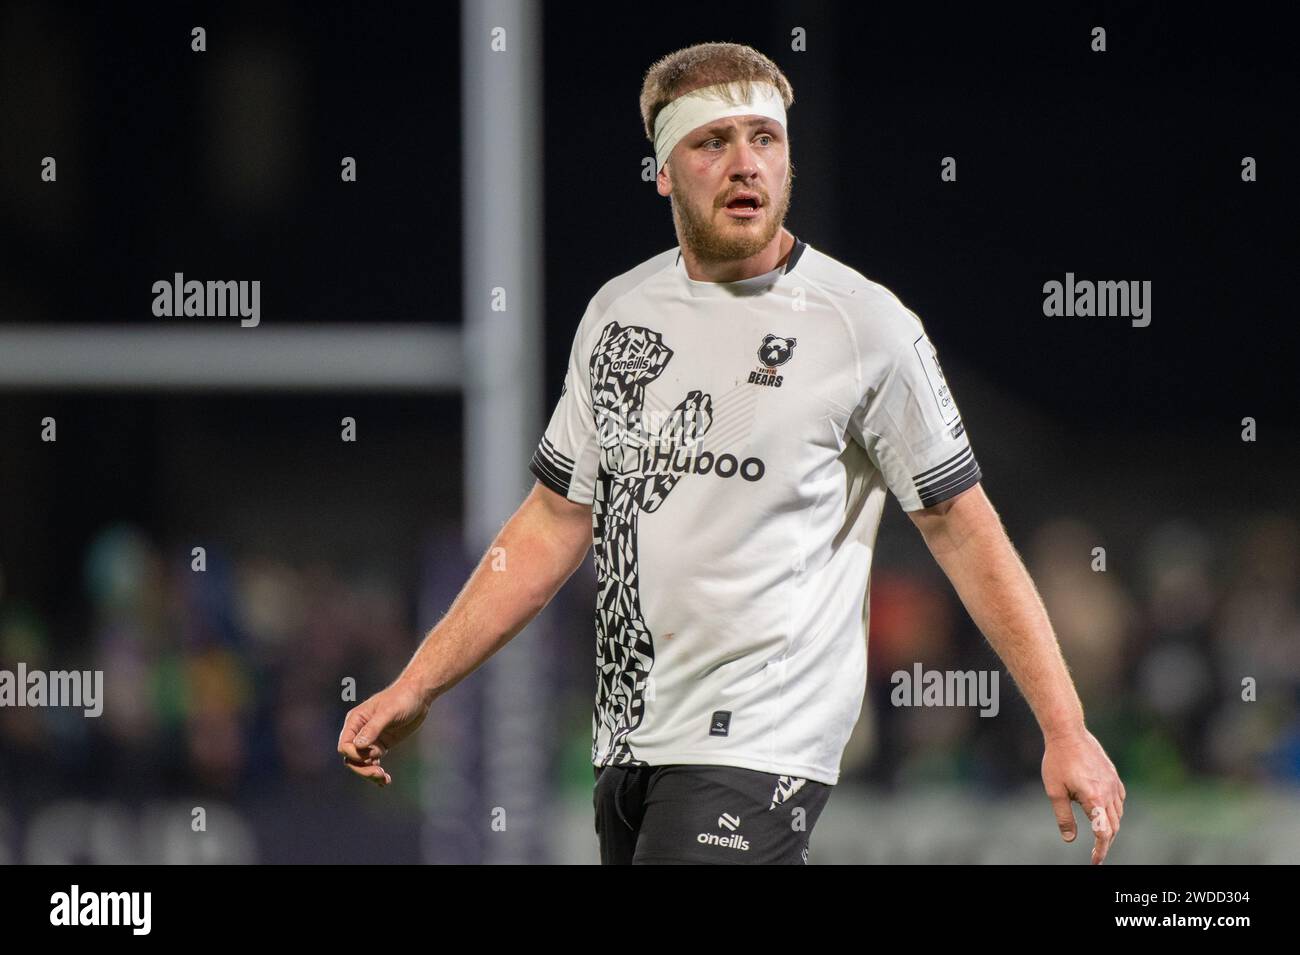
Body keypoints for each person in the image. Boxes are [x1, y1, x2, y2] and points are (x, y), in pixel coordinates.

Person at [338, 41, 1125, 865]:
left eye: (765, 138)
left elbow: (963, 526)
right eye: (713, 142)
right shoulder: (618, 315)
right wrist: (417, 682)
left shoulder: (866, 326)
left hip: (763, 739)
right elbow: (553, 521)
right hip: (633, 740)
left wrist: (1065, 725)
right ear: (663, 172)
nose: (745, 163)